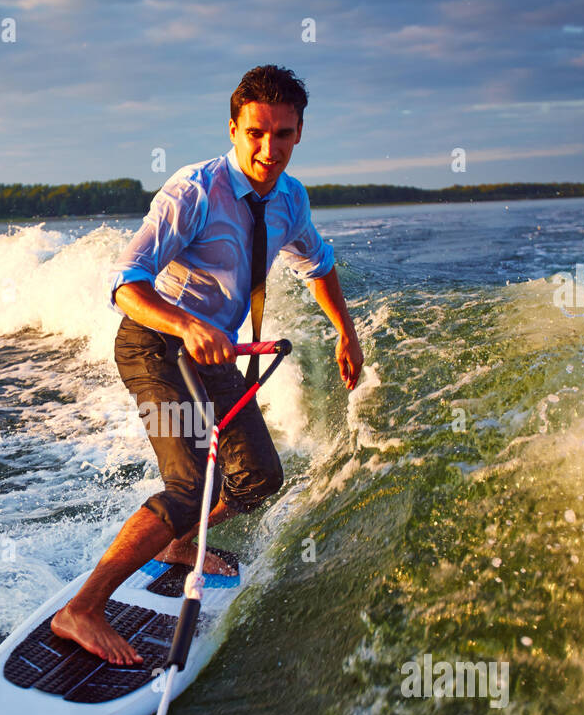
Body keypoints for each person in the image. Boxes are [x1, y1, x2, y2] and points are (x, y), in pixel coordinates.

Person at [51, 65, 363, 665]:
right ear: (234, 128)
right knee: (193, 483)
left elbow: (319, 265)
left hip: (212, 350)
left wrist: (346, 334)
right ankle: (83, 608)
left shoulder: (291, 200)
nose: (268, 149)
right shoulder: (194, 191)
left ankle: (178, 543)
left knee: (258, 478)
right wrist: (188, 324)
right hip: (155, 343)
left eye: (284, 134)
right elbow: (124, 284)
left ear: (299, 133)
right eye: (255, 133)